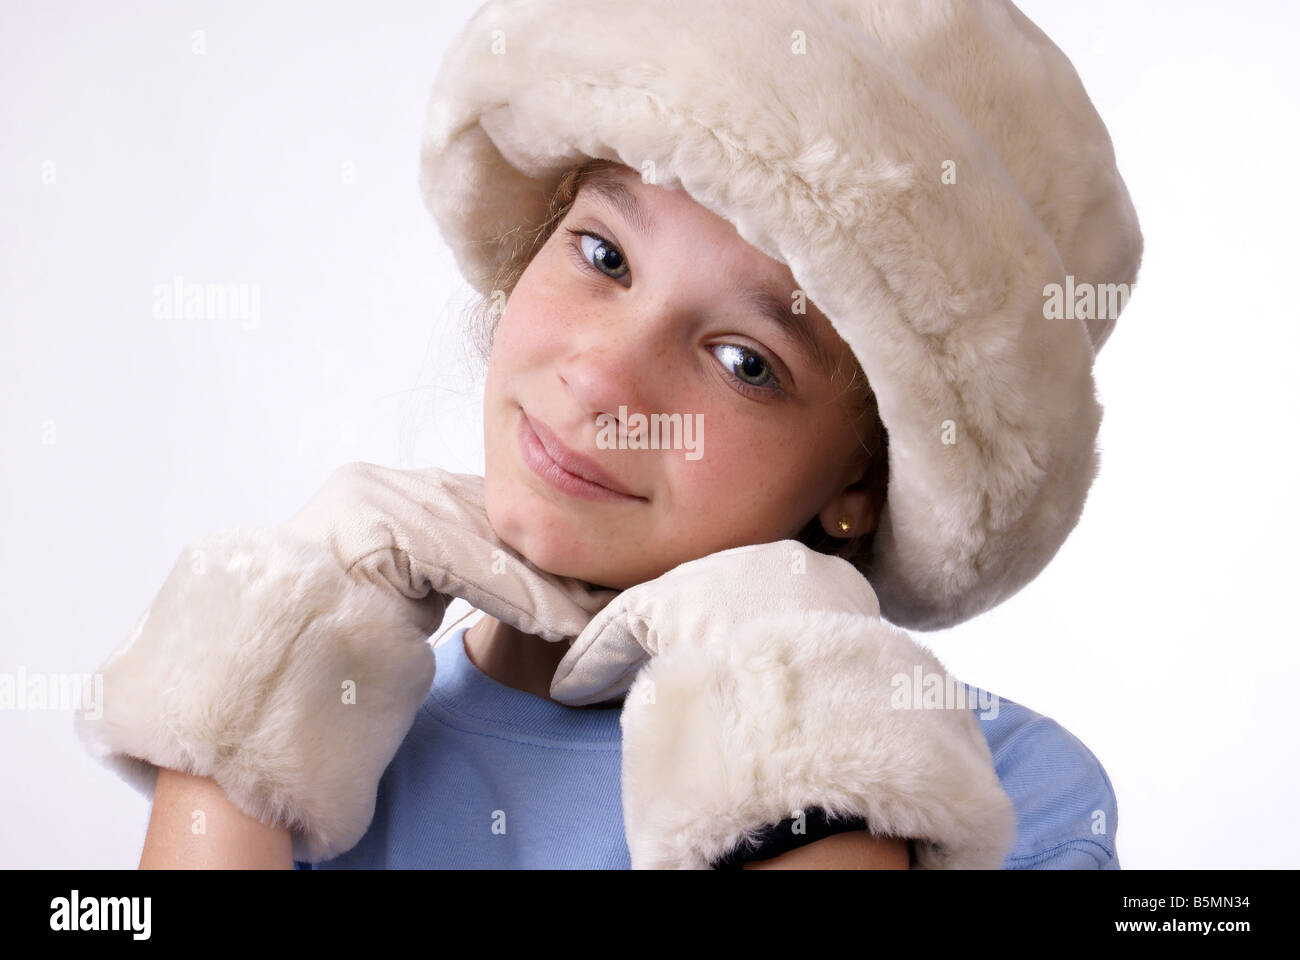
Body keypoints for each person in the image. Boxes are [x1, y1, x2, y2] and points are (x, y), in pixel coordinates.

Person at [77, 0, 1140, 870]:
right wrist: (269, 663)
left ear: (862, 484)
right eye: (603, 255)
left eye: (745, 361)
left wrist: (789, 702)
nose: (601, 379)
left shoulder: (1009, 802)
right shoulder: (332, 740)